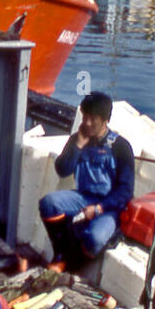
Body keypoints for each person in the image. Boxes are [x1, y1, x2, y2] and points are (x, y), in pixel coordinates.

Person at [37, 91, 134, 272]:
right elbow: (62, 170)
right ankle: (61, 254)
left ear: (105, 120)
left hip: (110, 206)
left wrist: (98, 209)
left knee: (95, 238)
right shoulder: (77, 138)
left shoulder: (121, 147)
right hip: (83, 197)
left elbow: (125, 191)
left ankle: (74, 264)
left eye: (93, 119)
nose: (87, 123)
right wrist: (77, 147)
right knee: (49, 203)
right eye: (84, 117)